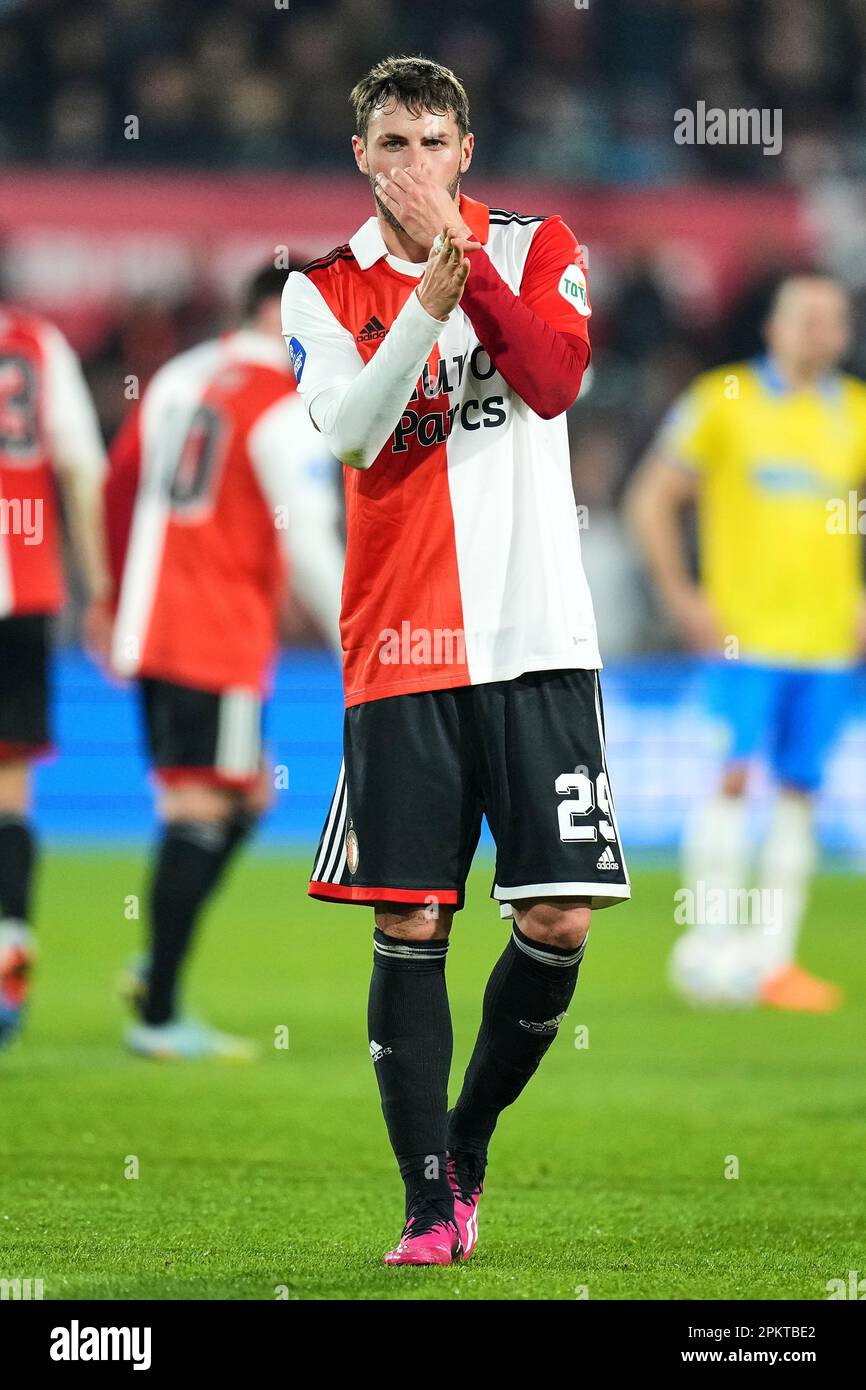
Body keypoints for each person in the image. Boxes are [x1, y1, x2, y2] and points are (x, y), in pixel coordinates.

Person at [282, 55, 629, 1266]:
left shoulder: (536, 246)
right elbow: (355, 435)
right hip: (403, 644)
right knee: (412, 914)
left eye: (433, 142)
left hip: (537, 637)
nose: (414, 164)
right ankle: (426, 1205)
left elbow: (550, 380)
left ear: (465, 150)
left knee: (559, 918)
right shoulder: (321, 289)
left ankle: (466, 1140)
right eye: (392, 144)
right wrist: (424, 307)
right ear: (360, 157)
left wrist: (462, 267)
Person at [106, 265, 344, 1059]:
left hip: (150, 617)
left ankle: (158, 967)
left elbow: (119, 483)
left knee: (242, 792)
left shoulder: (181, 375)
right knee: (201, 806)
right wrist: (357, 634)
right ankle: (158, 1010)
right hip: (213, 631)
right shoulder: (284, 400)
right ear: (282, 312)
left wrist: (111, 598)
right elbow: (308, 537)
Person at [626, 275, 866, 1013]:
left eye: (833, 318)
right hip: (744, 638)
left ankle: (772, 960)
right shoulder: (722, 400)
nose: (820, 329)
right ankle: (708, 949)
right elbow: (650, 498)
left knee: (799, 791)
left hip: (826, 642)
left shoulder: (856, 411)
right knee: (731, 779)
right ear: (773, 327)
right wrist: (681, 595)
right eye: (806, 316)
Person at [0, 301, 110, 1049]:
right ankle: (9, 952)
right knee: (10, 788)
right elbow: (80, 468)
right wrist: (99, 590)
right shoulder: (36, 342)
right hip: (24, 593)